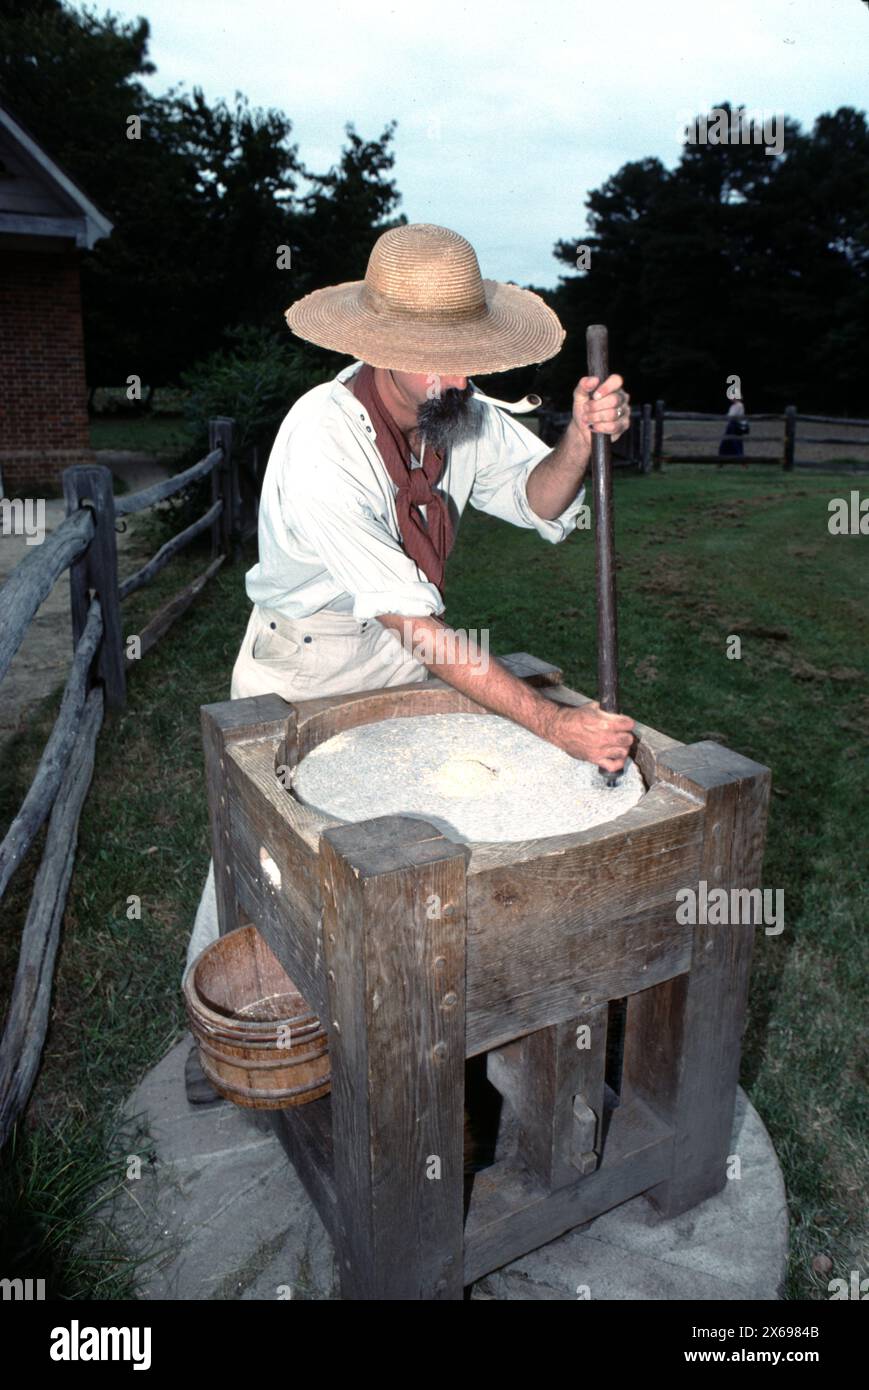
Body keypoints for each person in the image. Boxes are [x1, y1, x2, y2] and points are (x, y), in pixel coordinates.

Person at [183, 222, 635, 1099]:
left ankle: (389, 1010)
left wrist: (579, 437)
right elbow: (418, 625)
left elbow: (538, 493)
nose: (456, 379)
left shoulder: (455, 412)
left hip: (399, 650)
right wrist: (554, 724)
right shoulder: (321, 439)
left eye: (465, 357)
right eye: (432, 359)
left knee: (402, 826)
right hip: (302, 664)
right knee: (266, 852)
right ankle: (225, 1026)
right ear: (377, 350)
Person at [718, 396, 749, 466]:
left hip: (735, 427)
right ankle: (721, 461)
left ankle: (743, 462)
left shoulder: (739, 405)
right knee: (725, 444)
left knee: (737, 444)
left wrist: (727, 417)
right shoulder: (733, 406)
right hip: (731, 426)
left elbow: (732, 415)